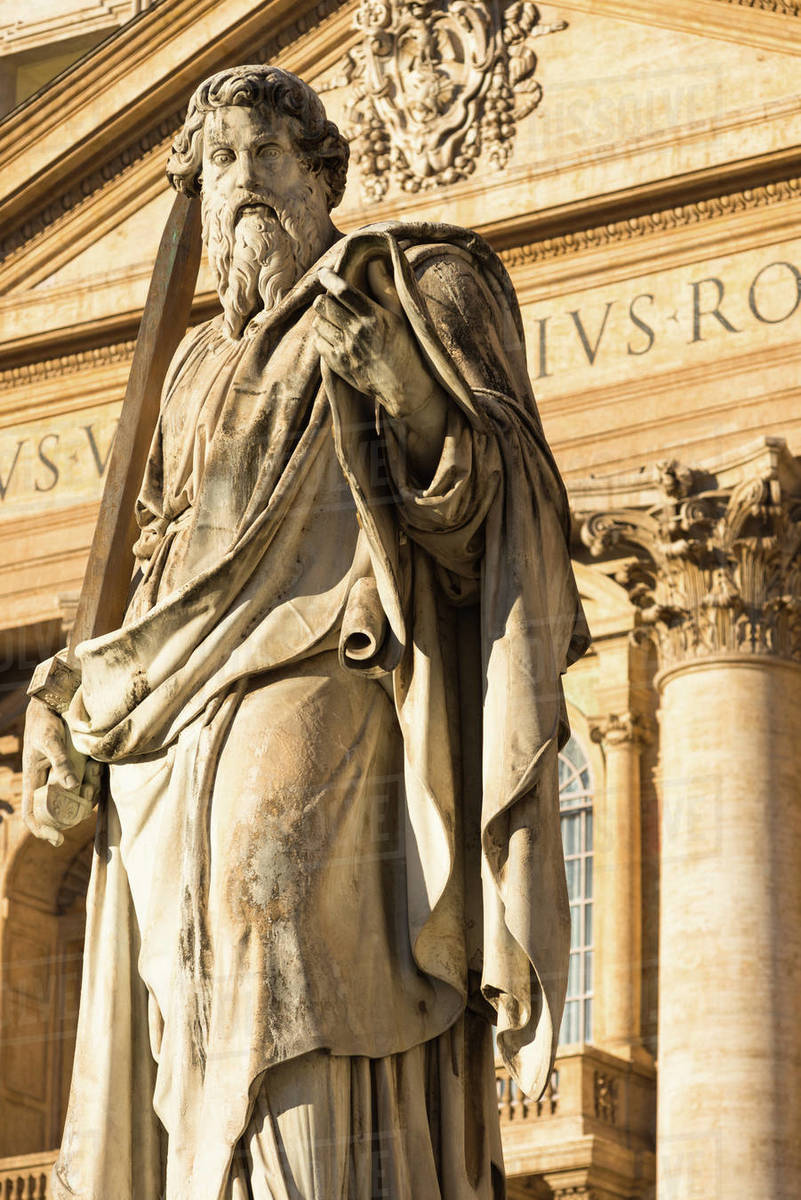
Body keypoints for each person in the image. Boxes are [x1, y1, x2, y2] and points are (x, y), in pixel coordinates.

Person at [22, 65, 588, 1200]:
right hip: (182, 712)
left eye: (270, 157)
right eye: (222, 163)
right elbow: (162, 573)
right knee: (185, 971)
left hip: (331, 659)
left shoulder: (412, 289)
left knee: (271, 887)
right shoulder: (193, 370)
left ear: (325, 173)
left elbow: (503, 520)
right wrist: (77, 700)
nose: (244, 185)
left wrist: (410, 395)